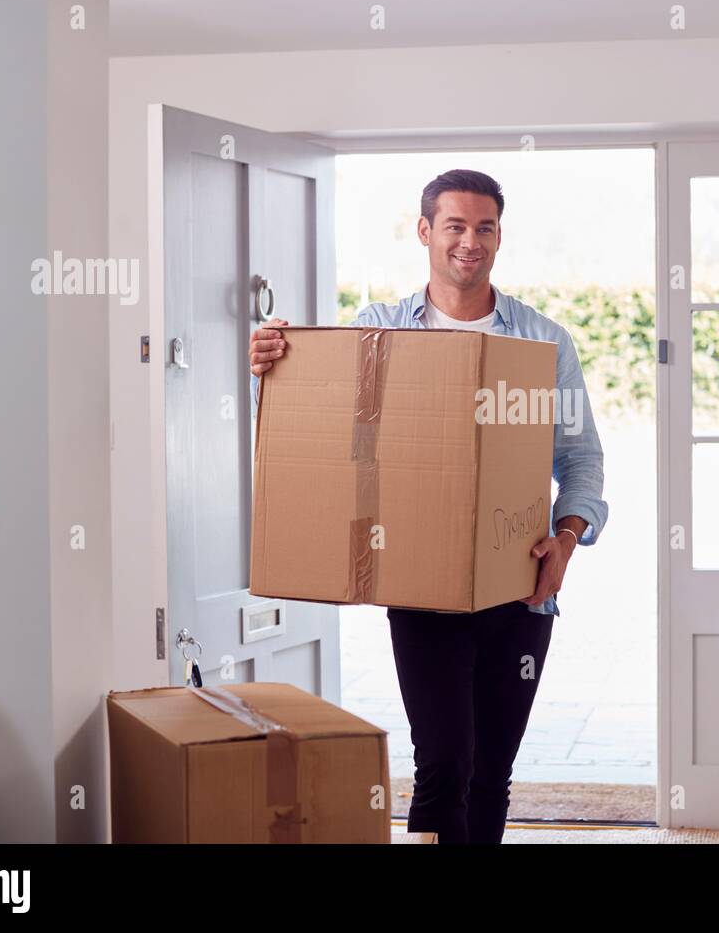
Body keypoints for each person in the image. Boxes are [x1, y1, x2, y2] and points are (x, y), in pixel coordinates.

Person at [249, 169, 608, 843]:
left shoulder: (543, 341)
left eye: (485, 227)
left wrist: (566, 539)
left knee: (491, 771)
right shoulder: (378, 331)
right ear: (425, 232)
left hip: (521, 590)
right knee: (443, 762)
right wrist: (270, 375)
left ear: (500, 236)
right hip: (422, 588)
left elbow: (582, 461)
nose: (470, 241)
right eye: (455, 226)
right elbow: (323, 440)